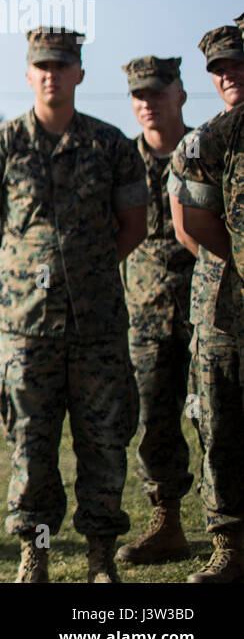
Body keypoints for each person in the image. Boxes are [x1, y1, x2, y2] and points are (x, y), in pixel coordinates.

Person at [0, 27, 146, 582]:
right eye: (42, 65)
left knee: (103, 441)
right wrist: (23, 276)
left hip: (97, 326)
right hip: (26, 329)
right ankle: (34, 556)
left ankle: (100, 561)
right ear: (27, 74)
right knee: (31, 442)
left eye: (62, 65)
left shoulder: (112, 146)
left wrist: (84, 274)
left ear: (79, 75)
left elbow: (134, 227)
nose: (51, 74)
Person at [167, 21, 244, 582]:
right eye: (218, 69)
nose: (228, 75)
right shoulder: (206, 141)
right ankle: (230, 546)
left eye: (237, 63)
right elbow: (190, 224)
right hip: (222, 310)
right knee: (219, 425)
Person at [114, 56, 195, 565]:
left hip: (217, 313)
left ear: (180, 93)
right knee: (155, 423)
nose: (148, 104)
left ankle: (231, 528)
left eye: (157, 93)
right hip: (145, 316)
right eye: (139, 96)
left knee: (223, 422)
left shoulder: (207, 148)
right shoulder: (119, 160)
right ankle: (167, 524)